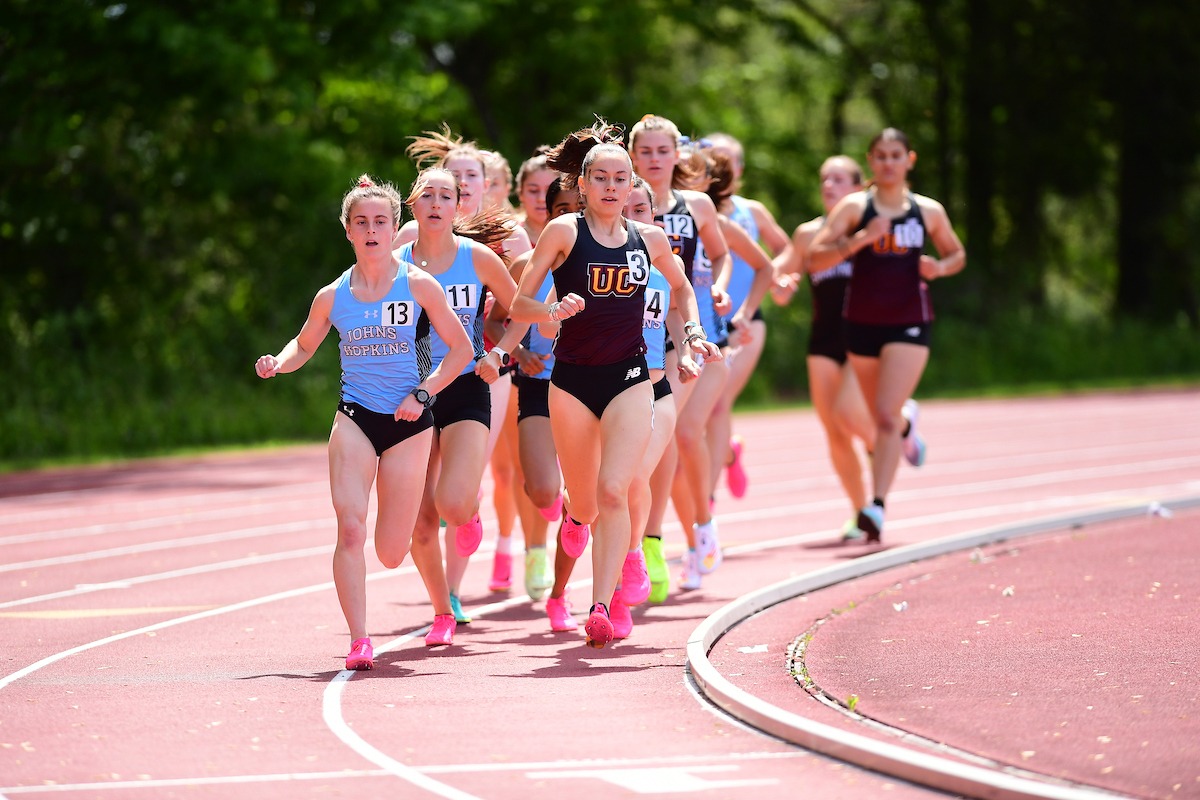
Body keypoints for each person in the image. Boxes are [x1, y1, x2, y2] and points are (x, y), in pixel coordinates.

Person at [509, 119, 721, 647]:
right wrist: (550, 311)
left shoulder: (650, 238)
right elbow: (519, 304)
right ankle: (574, 521)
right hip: (572, 382)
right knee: (582, 501)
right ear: (583, 185)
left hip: (631, 379)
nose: (610, 186)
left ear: (631, 186)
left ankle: (601, 605)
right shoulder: (563, 233)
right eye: (600, 177)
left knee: (615, 489)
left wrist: (692, 332)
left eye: (619, 178)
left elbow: (682, 290)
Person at [254, 175, 474, 671]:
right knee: (350, 530)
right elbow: (304, 345)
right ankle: (360, 640)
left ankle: (420, 584)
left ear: (395, 227)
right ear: (348, 231)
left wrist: (423, 394)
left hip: (409, 421)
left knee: (391, 551)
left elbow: (460, 350)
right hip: (355, 417)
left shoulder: (418, 284)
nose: (371, 230)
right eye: (361, 223)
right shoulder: (332, 296)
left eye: (380, 222)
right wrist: (278, 362)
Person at [396, 126, 532, 625]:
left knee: (460, 492)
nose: (446, 194)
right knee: (419, 513)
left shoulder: (493, 245)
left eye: (461, 183)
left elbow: (522, 307)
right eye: (433, 189)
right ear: (414, 201)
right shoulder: (402, 249)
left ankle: (465, 527)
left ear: (478, 187)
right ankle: (444, 603)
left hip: (479, 374)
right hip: (411, 386)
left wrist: (531, 325)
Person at [808, 129, 966, 543]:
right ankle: (902, 433)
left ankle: (875, 506)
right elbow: (816, 256)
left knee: (883, 413)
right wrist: (862, 239)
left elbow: (957, 253)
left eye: (896, 155)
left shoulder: (926, 211)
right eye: (880, 156)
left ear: (909, 159)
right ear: (871, 161)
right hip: (860, 324)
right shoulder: (854, 207)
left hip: (909, 322)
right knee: (881, 417)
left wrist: (939, 268)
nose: (888, 163)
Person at [628, 114, 731, 590]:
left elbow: (722, 253)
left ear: (677, 156)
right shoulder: (620, 201)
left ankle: (661, 540)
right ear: (633, 155)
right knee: (664, 438)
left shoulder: (698, 206)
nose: (653, 159)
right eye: (644, 151)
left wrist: (721, 290)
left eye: (661, 151)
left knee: (670, 435)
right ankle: (678, 536)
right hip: (631, 331)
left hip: (681, 332)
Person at [772, 155, 879, 540]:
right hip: (823, 339)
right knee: (833, 429)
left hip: (864, 336)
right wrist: (780, 282)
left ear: (858, 188)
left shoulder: (873, 229)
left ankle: (893, 434)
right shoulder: (809, 234)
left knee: (849, 415)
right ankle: (861, 512)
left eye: (838, 179)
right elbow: (783, 269)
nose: (829, 186)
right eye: (824, 179)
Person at [700, 132, 791, 502]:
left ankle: (705, 501)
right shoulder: (689, 212)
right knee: (701, 411)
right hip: (702, 325)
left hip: (744, 322)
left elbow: (782, 249)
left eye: (726, 161)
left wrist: (777, 277)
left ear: (738, 168)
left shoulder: (750, 212)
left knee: (717, 403)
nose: (717, 169)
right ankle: (727, 453)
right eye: (709, 161)